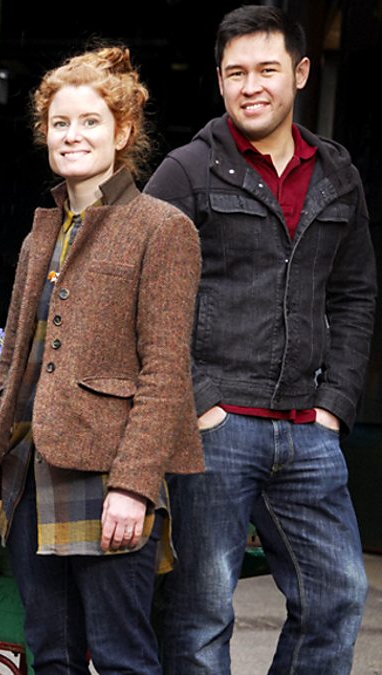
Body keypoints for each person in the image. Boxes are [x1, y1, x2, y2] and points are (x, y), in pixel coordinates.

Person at [144, 6, 376, 674]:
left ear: (300, 73)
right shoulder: (187, 172)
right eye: (236, 73)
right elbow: (146, 297)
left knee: (337, 594)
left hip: (307, 428)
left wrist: (335, 404)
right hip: (215, 429)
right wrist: (201, 400)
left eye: (267, 70)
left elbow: (355, 294)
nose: (252, 86)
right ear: (219, 80)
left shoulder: (337, 174)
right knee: (200, 616)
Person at [0, 47, 203, 674]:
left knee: (123, 659)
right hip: (30, 476)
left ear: (122, 133)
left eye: (90, 121)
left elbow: (165, 373)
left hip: (108, 478)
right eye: (60, 123)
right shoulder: (41, 233)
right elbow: (13, 365)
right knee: (51, 656)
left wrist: (133, 487)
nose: (72, 135)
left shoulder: (161, 228)